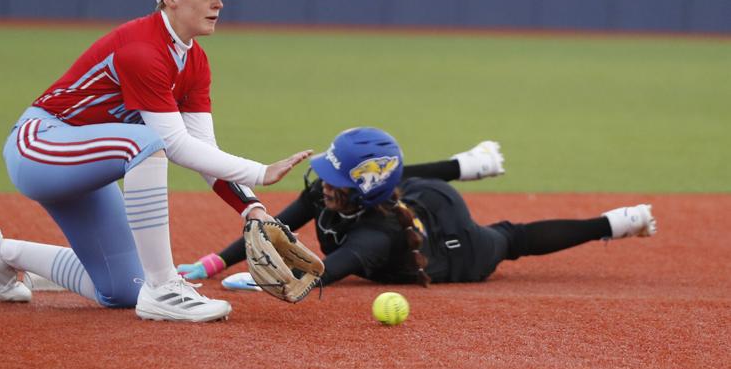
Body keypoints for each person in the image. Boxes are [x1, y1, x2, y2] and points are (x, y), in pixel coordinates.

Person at [0, 0, 311, 322]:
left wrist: (251, 207)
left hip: (88, 165)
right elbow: (176, 146)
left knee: (122, 290)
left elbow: (203, 150)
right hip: (38, 147)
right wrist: (260, 171)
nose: (218, 3)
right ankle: (163, 287)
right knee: (147, 143)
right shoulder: (142, 50)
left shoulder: (195, 61)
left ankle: (0, 254)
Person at [178, 127, 657, 288]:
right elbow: (274, 228)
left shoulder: (379, 235)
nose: (324, 183)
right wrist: (213, 263)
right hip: (414, 194)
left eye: (337, 179)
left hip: (452, 246)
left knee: (512, 238)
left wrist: (264, 281)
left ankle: (615, 223)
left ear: (358, 191)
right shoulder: (331, 192)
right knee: (401, 177)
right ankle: (467, 164)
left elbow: (322, 271)